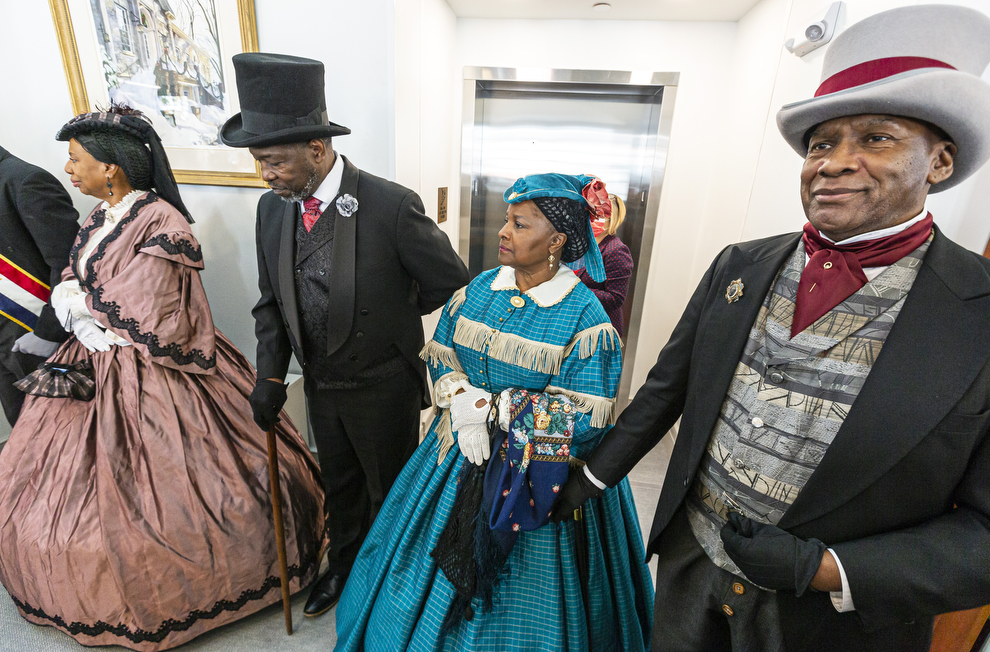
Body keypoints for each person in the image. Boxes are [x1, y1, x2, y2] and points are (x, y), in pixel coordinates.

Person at [552, 6, 990, 652]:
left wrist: (827, 570)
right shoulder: (740, 266)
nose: (835, 162)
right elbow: (663, 393)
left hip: (830, 628)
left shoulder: (983, 318)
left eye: (876, 139)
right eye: (821, 143)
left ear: (939, 162)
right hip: (689, 578)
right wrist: (588, 481)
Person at [0, 105, 326, 651]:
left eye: (77, 159)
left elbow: (155, 306)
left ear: (112, 167)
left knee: (197, 491)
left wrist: (84, 304)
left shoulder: (161, 221)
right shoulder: (97, 217)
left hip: (158, 367)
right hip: (95, 356)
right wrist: (72, 298)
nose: (68, 168)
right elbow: (73, 274)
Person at [334, 173, 654, 651]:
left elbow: (584, 423)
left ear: (557, 241)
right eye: (506, 221)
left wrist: (495, 408)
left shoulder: (586, 318)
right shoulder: (479, 289)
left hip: (535, 478)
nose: (503, 232)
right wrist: (459, 397)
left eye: (520, 225)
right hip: (454, 453)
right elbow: (441, 353)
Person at [220, 53, 470, 617]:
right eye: (259, 162)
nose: (266, 175)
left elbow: (452, 285)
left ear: (317, 148)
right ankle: (347, 570)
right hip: (322, 385)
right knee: (340, 488)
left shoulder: (390, 204)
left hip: (385, 385)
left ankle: (390, 589)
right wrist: (269, 374)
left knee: (392, 495)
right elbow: (272, 304)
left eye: (275, 161)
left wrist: (390, 315)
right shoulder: (271, 210)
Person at [0, 146, 79, 425]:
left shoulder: (25, 180)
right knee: (21, 430)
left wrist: (49, 332)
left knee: (57, 434)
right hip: (4, 337)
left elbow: (69, 263)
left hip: (34, 333)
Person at [577, 190, 633, 337]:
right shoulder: (584, 244)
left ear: (610, 220)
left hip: (599, 329)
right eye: (589, 215)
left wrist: (573, 288)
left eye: (598, 216)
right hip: (578, 323)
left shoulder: (616, 250)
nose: (590, 220)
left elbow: (615, 298)